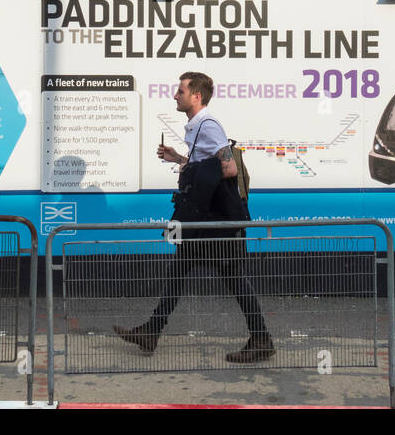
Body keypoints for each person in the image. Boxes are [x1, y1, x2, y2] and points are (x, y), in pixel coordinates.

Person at [112, 72, 275, 363]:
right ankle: (151, 331)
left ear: (196, 97)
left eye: (181, 91)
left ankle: (261, 339)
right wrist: (178, 158)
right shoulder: (196, 127)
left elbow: (228, 169)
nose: (176, 95)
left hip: (218, 223)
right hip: (205, 222)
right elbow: (206, 166)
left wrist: (191, 170)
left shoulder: (208, 125)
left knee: (234, 278)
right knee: (179, 271)